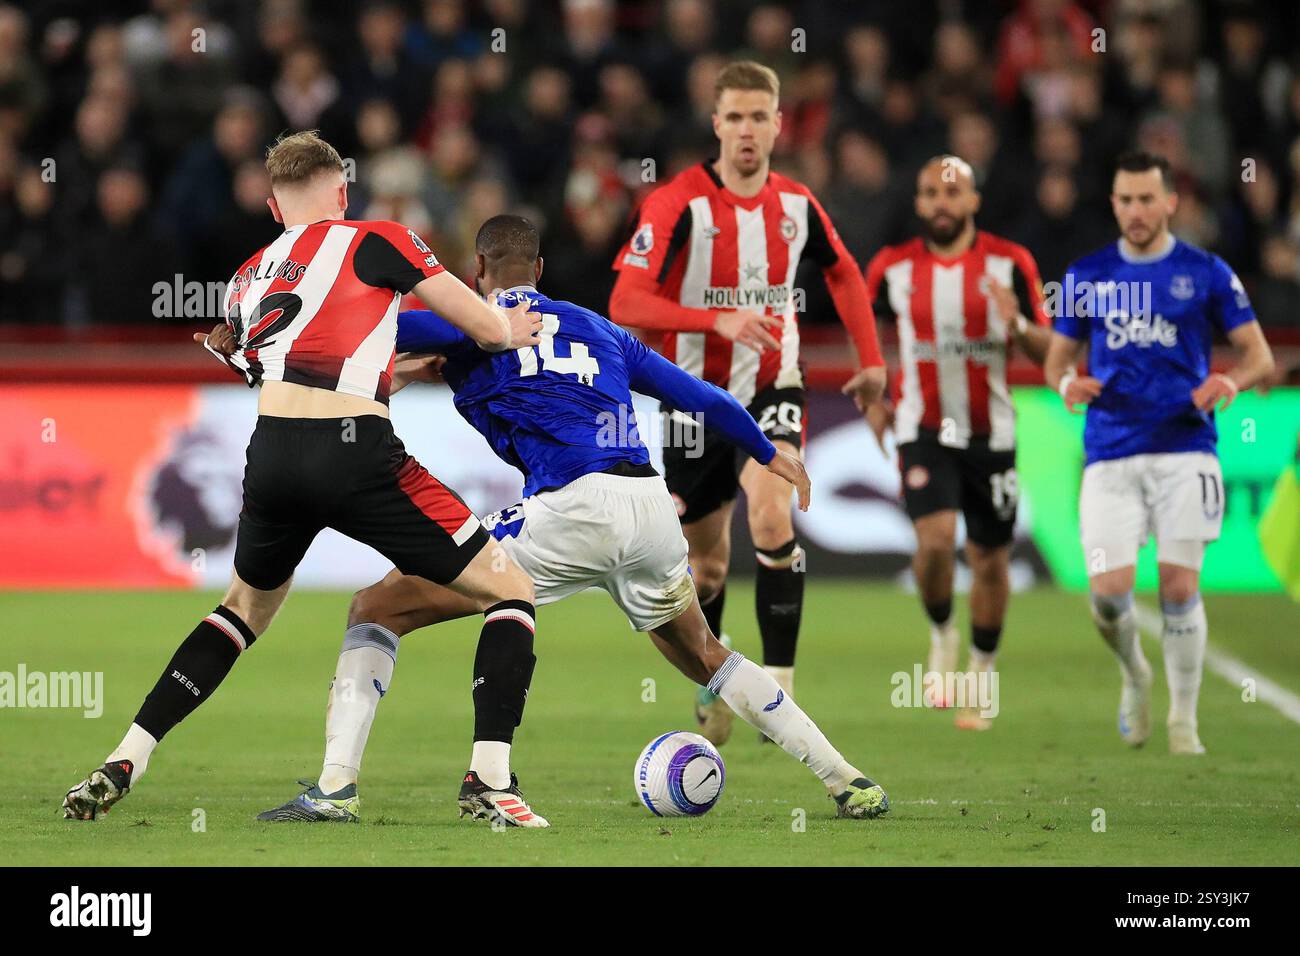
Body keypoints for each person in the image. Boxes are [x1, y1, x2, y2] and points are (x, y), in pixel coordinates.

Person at [253, 215, 890, 826]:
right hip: (648, 508)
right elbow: (702, 396)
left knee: (376, 608)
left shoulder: (470, 323)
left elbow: (369, 327)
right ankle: (846, 778)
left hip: (572, 506)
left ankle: (349, 786)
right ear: (540, 267)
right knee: (705, 653)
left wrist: (264, 335)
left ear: (476, 269)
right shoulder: (602, 328)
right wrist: (767, 451)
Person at [62, 131, 543, 820]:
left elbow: (293, 369)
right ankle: (490, 783)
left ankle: (126, 755)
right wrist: (505, 330)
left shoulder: (248, 275)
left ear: (272, 204)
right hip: (357, 456)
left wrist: (398, 372)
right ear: (342, 191)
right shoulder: (380, 239)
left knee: (240, 611)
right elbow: (486, 329)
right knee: (511, 589)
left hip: (273, 455)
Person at [608, 60, 886, 745]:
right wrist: (715, 321)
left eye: (759, 117)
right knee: (703, 562)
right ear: (716, 125)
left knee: (770, 514)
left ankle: (780, 691)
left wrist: (872, 360)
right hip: (692, 393)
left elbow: (845, 272)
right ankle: (718, 671)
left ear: (779, 125)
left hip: (772, 384)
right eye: (733, 117)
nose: (746, 131)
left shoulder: (796, 205)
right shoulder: (677, 203)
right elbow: (624, 301)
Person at [1043, 151, 1275, 754]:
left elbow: (1259, 356)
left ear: (1171, 202)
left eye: (1148, 199)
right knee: (1108, 594)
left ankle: (1184, 722)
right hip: (1110, 452)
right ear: (1114, 203)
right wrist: (1068, 385)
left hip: (1185, 448)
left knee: (1177, 588)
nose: (1136, 211)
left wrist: (1231, 381)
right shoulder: (1085, 276)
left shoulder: (1206, 272)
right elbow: (1056, 361)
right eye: (1125, 200)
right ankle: (1134, 674)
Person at [864, 155, 1051, 729]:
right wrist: (874, 398)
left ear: (974, 201)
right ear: (918, 204)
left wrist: (1017, 324)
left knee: (990, 558)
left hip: (990, 435)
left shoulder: (1010, 262)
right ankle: (943, 633)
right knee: (937, 542)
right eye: (929, 193)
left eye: (953, 192)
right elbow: (865, 339)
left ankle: (981, 670)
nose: (941, 203)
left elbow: (1051, 354)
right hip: (923, 429)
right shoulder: (891, 268)